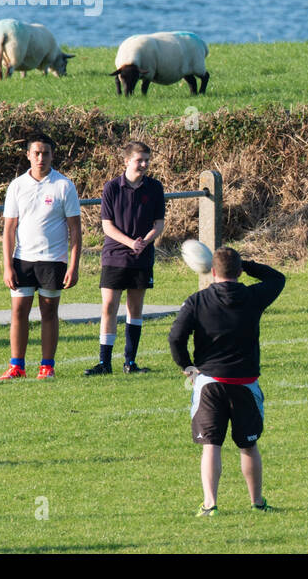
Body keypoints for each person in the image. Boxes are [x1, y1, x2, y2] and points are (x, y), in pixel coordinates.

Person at [168, 246, 285, 516]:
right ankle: (257, 502)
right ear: (240, 271)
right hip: (245, 384)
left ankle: (210, 505)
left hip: (209, 383)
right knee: (248, 445)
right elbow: (277, 278)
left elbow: (175, 338)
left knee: (211, 445)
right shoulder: (253, 296)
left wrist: (187, 365)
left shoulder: (197, 301)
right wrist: (250, 265)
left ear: (212, 272)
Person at [0, 133, 81, 380]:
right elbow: (9, 229)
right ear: (28, 155)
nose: (41, 157)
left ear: (52, 155)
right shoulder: (17, 186)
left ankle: (47, 367)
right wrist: (7, 266)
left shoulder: (64, 185)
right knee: (18, 312)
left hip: (53, 260)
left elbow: (75, 230)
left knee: (48, 313)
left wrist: (73, 266)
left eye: (45, 153)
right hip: (22, 260)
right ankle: (17, 366)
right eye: (36, 153)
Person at [84, 141, 165, 375]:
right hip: (115, 256)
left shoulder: (155, 188)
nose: (144, 164)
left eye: (147, 160)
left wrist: (145, 242)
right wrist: (131, 243)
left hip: (142, 257)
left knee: (135, 307)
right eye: (140, 160)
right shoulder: (111, 188)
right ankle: (104, 363)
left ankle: (130, 362)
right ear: (126, 161)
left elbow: (158, 224)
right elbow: (107, 226)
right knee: (109, 306)